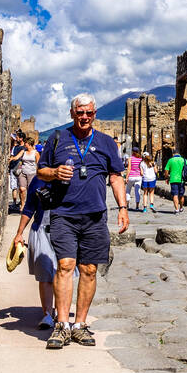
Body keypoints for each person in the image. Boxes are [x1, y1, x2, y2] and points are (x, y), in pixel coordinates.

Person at [35, 94, 130, 349]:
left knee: (89, 270)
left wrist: (123, 208)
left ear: (94, 113)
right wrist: (54, 172)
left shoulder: (107, 143)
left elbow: (116, 176)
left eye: (88, 113)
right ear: (72, 113)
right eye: (79, 113)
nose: (84, 117)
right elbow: (40, 171)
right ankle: (62, 325)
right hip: (64, 214)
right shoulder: (58, 139)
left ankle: (81, 324)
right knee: (65, 266)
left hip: (95, 216)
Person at [10, 177, 60, 330]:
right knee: (45, 273)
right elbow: (29, 207)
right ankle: (47, 314)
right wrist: (19, 233)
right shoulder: (39, 180)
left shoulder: (70, 176)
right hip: (42, 229)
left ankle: (60, 313)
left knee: (62, 273)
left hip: (65, 231)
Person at [14, 133, 37, 209]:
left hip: (32, 173)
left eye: (26, 143)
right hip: (23, 172)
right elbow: (17, 157)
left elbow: (39, 164)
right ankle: (23, 205)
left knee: (31, 190)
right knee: (22, 189)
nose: (24, 144)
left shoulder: (36, 153)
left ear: (29, 144)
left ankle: (30, 205)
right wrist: (10, 159)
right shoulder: (23, 151)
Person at [164, 147, 187, 213]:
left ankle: (176, 209)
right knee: (181, 195)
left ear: (173, 153)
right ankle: (181, 207)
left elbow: (166, 170)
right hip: (182, 180)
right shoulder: (184, 160)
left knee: (175, 195)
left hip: (173, 179)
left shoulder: (170, 160)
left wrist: (167, 178)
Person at [126, 144, 144, 211]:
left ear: (132, 151)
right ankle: (137, 206)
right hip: (138, 177)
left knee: (128, 191)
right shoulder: (140, 159)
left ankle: (127, 204)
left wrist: (126, 177)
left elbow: (129, 168)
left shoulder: (130, 159)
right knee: (137, 191)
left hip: (131, 176)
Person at [139, 147, 157, 213]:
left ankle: (145, 208)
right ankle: (151, 205)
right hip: (152, 178)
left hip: (145, 179)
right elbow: (156, 171)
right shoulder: (153, 163)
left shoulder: (141, 163)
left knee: (145, 193)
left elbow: (141, 173)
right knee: (151, 193)